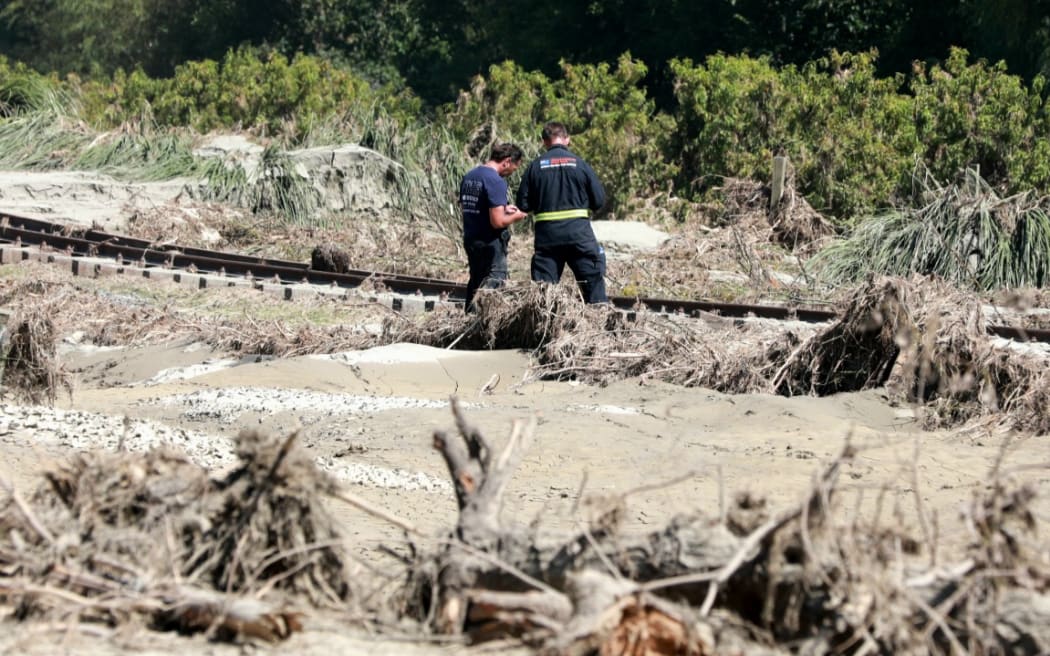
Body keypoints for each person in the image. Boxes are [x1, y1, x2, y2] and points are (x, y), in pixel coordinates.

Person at [515, 121, 608, 304]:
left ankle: (545, 329)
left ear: (544, 142)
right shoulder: (581, 165)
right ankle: (598, 325)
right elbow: (598, 201)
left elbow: (523, 204)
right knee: (593, 285)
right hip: (579, 235)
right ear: (567, 139)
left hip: (548, 238)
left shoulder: (535, 167)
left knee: (544, 293)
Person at [459, 143, 528, 311]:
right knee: (495, 280)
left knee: (476, 280)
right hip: (490, 242)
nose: (513, 172)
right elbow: (497, 222)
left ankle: (469, 318)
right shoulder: (496, 181)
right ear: (506, 161)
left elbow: (475, 206)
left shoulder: (470, 176)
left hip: (471, 238)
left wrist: (504, 209)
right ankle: (482, 321)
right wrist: (517, 216)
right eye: (514, 167)